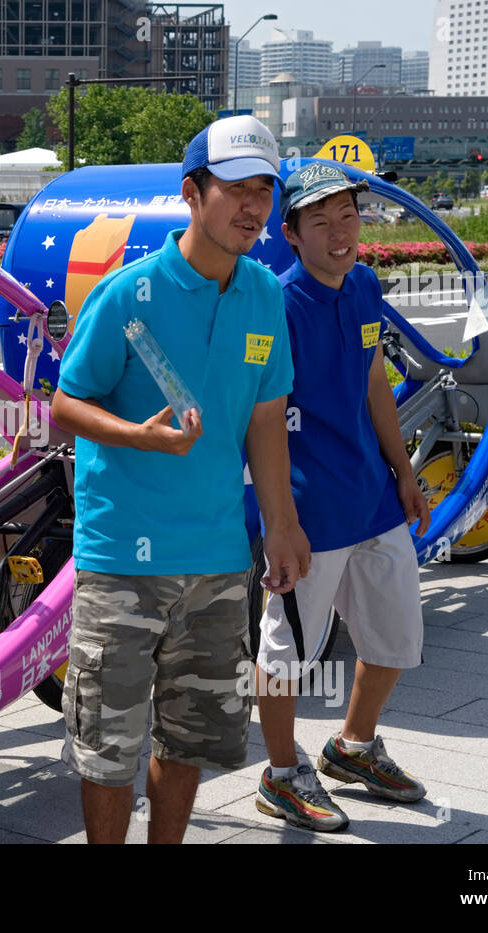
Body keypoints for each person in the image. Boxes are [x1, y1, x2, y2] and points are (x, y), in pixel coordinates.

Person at [51, 115, 311, 845]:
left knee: (190, 736)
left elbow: (266, 420)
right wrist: (137, 435)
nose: (253, 206)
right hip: (122, 562)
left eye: (264, 190)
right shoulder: (128, 294)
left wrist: (283, 525)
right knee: (108, 746)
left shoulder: (264, 295)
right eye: (236, 190)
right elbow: (66, 402)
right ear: (193, 194)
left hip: (219, 559)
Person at [253, 161, 434, 833]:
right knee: (285, 651)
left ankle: (352, 747)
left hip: (373, 498)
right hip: (306, 511)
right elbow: (259, 415)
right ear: (291, 233)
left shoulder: (363, 284)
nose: (339, 233)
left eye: (348, 217)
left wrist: (405, 470)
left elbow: (373, 380)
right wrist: (278, 517)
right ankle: (279, 773)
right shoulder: (272, 304)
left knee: (395, 636)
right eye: (321, 222)